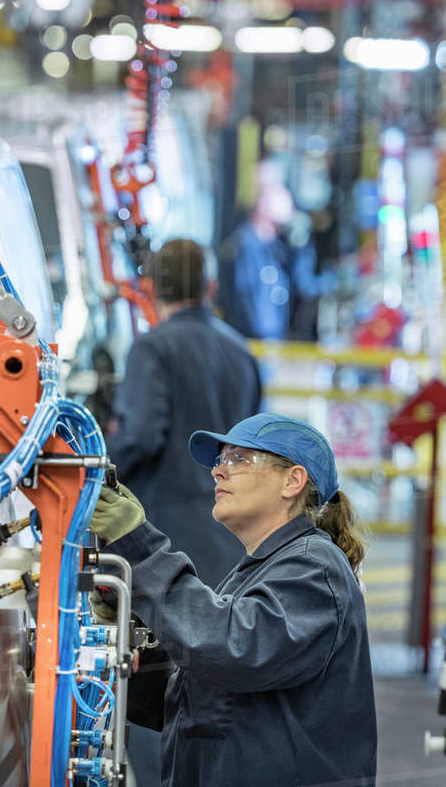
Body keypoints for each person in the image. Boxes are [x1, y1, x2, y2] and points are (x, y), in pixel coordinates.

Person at [92, 412, 377, 787]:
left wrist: (141, 550)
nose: (217, 472)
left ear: (293, 481)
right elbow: (194, 698)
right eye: (219, 460)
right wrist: (129, 614)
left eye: (238, 459)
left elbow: (231, 649)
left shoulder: (314, 567)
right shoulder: (259, 573)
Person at [106, 238, 261, 589]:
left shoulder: (152, 347)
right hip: (232, 537)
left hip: (163, 539)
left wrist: (92, 476)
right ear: (211, 287)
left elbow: (141, 437)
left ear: (150, 288)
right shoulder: (242, 352)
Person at [218, 160, 336, 341]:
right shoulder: (247, 247)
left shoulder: (277, 246)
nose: (286, 196)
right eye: (277, 189)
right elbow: (250, 307)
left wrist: (301, 239)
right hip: (258, 345)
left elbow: (304, 284)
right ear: (261, 201)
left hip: (271, 343)